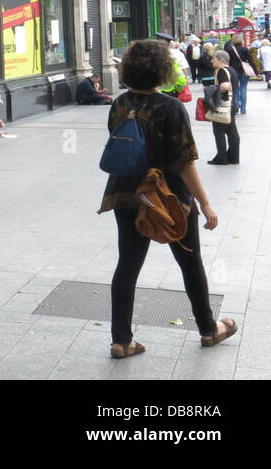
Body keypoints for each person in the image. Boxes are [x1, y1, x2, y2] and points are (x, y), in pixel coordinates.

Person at [99, 39, 237, 358]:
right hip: (169, 199)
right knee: (190, 262)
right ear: (163, 71)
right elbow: (185, 162)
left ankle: (121, 340)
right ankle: (208, 329)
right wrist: (205, 203)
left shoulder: (119, 103)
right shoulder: (171, 107)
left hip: (126, 194)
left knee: (127, 265)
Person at [209, 50, 240, 166]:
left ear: (220, 60)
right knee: (232, 132)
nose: (212, 61)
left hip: (223, 106)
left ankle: (221, 158)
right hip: (232, 105)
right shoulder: (232, 70)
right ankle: (234, 157)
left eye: (214, 59)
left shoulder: (222, 71)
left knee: (219, 132)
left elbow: (225, 86)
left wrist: (213, 90)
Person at [223, 35, 252, 115]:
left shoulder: (229, 49)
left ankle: (236, 107)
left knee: (235, 89)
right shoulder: (245, 49)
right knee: (243, 88)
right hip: (244, 71)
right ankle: (243, 109)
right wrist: (256, 71)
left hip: (233, 71)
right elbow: (250, 60)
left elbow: (227, 61)